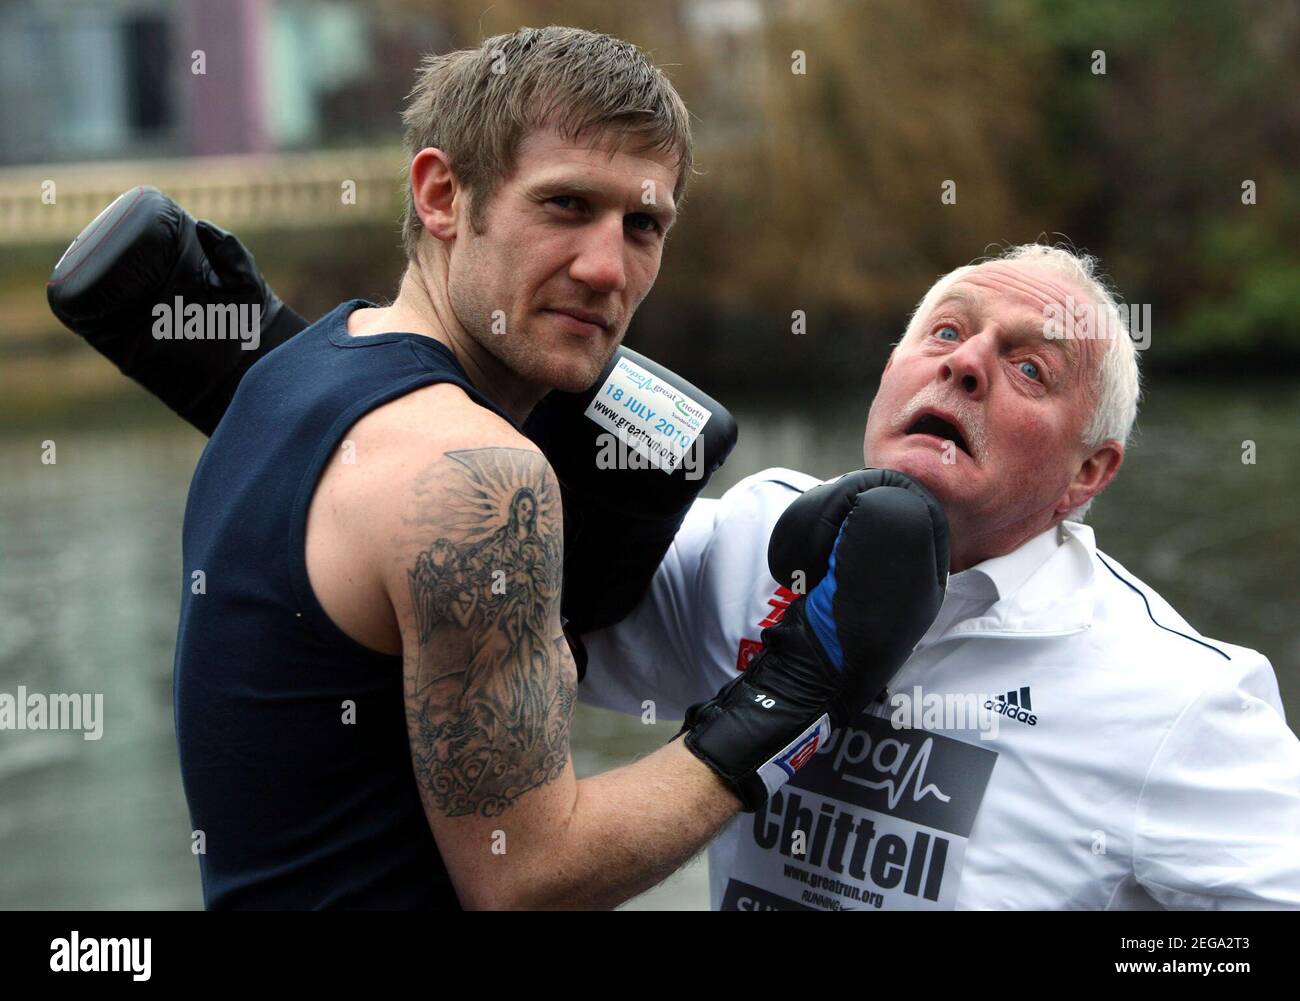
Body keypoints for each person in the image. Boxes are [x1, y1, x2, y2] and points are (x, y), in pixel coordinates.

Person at [156, 27, 948, 910]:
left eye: (643, 224)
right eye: (566, 205)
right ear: (443, 194)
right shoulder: (477, 473)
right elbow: (528, 876)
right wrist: (801, 685)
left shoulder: (288, 370)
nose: (607, 268)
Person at [580, 244, 1300, 910]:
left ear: (1088, 472)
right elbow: (505, 643)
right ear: (891, 370)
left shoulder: (1179, 699)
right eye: (947, 333)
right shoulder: (751, 539)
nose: (965, 364)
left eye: (1030, 368)